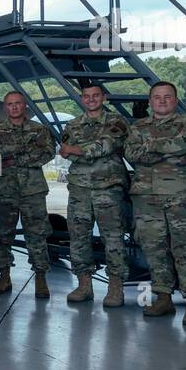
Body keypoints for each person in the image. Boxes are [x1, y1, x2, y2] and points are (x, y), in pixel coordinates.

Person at [124, 81, 186, 325]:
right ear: (150, 101)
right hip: (146, 198)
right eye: (157, 97)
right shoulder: (138, 126)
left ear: (175, 99)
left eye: (167, 97)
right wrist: (167, 148)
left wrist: (149, 147)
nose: (161, 101)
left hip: (181, 196)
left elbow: (185, 144)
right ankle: (163, 298)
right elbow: (131, 153)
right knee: (154, 249)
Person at [58, 83, 130, 307]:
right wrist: (85, 151)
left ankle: (115, 287)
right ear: (82, 99)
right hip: (79, 189)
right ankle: (84, 285)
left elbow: (107, 145)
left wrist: (79, 150)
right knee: (78, 237)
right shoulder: (73, 124)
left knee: (113, 238)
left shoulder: (116, 122)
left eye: (95, 96)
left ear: (103, 97)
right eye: (87, 96)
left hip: (108, 188)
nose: (91, 100)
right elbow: (65, 151)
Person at [0, 91, 55, 299]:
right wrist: (28, 148)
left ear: (24, 106)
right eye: (9, 104)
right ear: (5, 107)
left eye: (17, 103)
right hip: (4, 191)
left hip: (32, 191)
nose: (14, 107)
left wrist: (15, 156)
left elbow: (48, 153)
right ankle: (4, 276)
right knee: (1, 234)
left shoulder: (39, 129)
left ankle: (41, 277)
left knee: (37, 234)